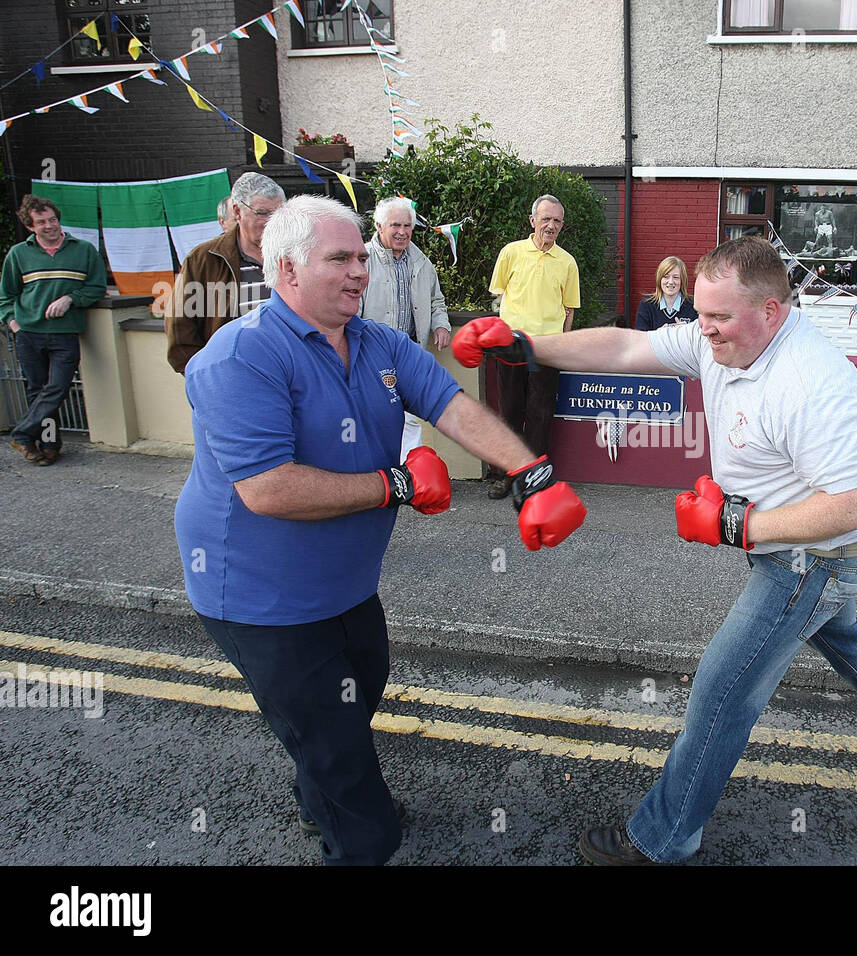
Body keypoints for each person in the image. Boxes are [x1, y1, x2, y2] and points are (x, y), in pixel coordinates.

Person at [453, 236, 857, 866]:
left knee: (723, 693)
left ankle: (665, 838)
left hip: (814, 561)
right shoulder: (720, 335)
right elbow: (624, 344)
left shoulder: (815, 383)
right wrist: (526, 345)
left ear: (773, 312)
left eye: (719, 318)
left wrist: (737, 526)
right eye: (701, 312)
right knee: (849, 640)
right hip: (798, 551)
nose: (705, 330)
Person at [174, 195, 586, 866]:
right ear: (287, 271)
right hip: (258, 594)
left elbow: (451, 404)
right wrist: (394, 485)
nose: (360, 270)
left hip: (347, 583)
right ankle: (354, 828)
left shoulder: (377, 343)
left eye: (361, 257)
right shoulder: (239, 357)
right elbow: (269, 488)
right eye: (339, 258)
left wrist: (532, 473)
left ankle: (323, 797)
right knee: (352, 782)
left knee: (358, 696)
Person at [484, 194, 580, 498]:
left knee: (540, 413)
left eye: (557, 221)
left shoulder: (567, 262)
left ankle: (533, 478)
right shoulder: (511, 253)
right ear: (532, 221)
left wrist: (562, 345)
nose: (551, 226)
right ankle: (505, 475)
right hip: (511, 344)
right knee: (510, 409)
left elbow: (569, 309)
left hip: (548, 347)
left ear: (562, 226)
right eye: (546, 219)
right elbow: (497, 297)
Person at [1, 194, 107, 465]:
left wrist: (71, 298)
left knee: (56, 388)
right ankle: (48, 446)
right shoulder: (18, 254)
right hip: (28, 332)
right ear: (30, 226)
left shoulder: (83, 250)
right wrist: (14, 324)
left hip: (64, 332)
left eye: (52, 219)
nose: (50, 225)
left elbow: (96, 287)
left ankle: (22, 434)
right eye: (41, 222)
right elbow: (7, 295)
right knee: (38, 390)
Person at [359, 197, 452, 462]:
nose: (402, 232)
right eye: (395, 225)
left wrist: (442, 324)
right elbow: (350, 306)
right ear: (379, 226)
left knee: (411, 416)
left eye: (407, 226)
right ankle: (378, 470)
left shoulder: (421, 261)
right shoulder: (362, 260)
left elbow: (436, 299)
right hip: (372, 352)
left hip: (410, 350)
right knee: (376, 412)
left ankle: (409, 472)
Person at [165, 172, 286, 373]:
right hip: (234, 377)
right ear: (238, 212)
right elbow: (180, 330)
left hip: (293, 376)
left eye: (278, 213)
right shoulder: (204, 258)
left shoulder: (296, 253)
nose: (272, 221)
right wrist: (205, 378)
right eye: (262, 213)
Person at [634, 256, 698, 331]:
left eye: (676, 277)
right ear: (659, 279)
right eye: (666, 277)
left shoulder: (694, 305)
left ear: (682, 281)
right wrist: (660, 334)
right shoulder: (647, 304)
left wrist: (686, 332)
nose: (670, 282)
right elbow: (640, 337)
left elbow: (701, 337)